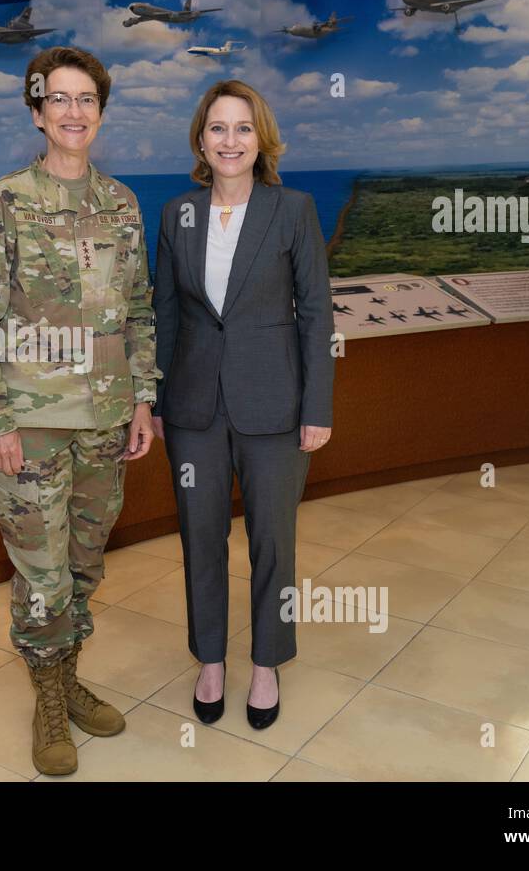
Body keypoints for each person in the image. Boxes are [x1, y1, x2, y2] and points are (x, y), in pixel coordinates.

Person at [0, 46, 159, 775]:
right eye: (59, 101)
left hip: (105, 423)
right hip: (32, 426)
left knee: (84, 563)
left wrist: (143, 399)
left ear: (101, 112)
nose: (74, 113)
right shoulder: (3, 202)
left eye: (87, 100)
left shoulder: (123, 204)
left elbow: (138, 309)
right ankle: (47, 696)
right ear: (37, 112)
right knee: (39, 571)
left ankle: (68, 674)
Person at [150, 79, 334, 730]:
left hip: (276, 410)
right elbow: (165, 315)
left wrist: (318, 407)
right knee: (201, 539)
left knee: (273, 544)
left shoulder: (294, 211)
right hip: (194, 410)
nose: (230, 141)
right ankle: (210, 661)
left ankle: (265, 664)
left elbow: (315, 315)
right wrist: (155, 401)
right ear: (201, 140)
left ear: (262, 141)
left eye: (243, 128)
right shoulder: (178, 215)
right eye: (218, 128)